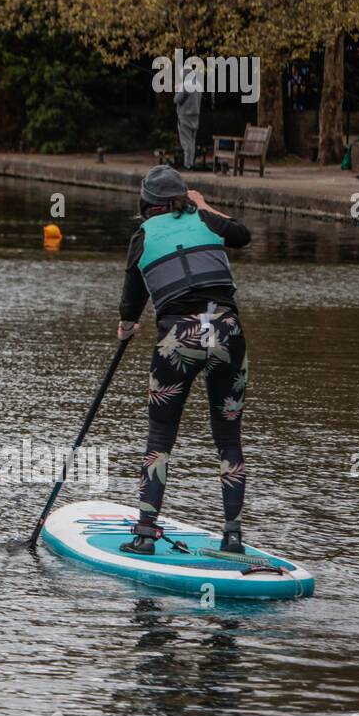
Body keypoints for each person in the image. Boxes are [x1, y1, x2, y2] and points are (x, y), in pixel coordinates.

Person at [117, 165, 251, 554]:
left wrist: (126, 327)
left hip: (178, 339)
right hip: (227, 332)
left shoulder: (141, 237)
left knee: (160, 438)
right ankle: (233, 537)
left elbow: (131, 303)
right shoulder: (208, 222)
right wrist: (205, 206)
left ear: (147, 203)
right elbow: (242, 234)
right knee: (228, 440)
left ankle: (144, 536)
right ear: (184, 198)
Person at [175, 64, 203, 169]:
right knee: (192, 141)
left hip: (185, 116)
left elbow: (177, 100)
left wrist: (177, 89)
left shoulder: (185, 85)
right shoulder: (199, 85)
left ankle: (187, 165)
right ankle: (191, 163)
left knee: (186, 142)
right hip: (195, 116)